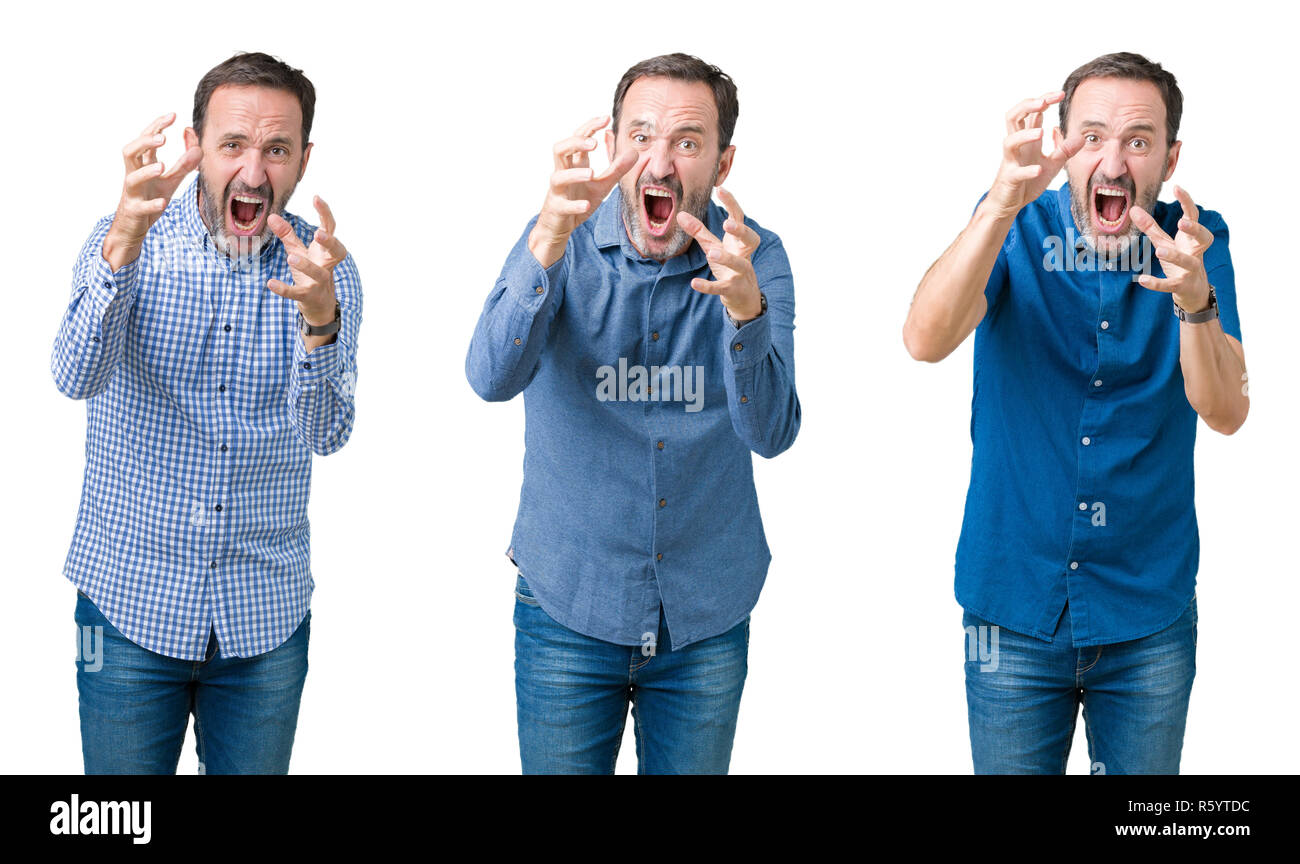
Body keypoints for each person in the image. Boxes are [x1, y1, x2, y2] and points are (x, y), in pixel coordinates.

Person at [904, 52, 1247, 774]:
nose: (1113, 161)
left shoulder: (1198, 245)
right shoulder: (1012, 227)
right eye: (1091, 137)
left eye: (1138, 140)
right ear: (1062, 146)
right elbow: (924, 339)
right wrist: (1002, 200)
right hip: (1012, 609)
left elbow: (1225, 410)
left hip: (1147, 615)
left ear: (1169, 156)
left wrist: (1195, 304)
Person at [467, 53, 800, 774]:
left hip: (704, 616)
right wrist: (547, 243)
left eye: (687, 141)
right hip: (568, 607)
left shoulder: (756, 259)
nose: (660, 159)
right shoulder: (558, 238)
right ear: (613, 147)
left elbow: (772, 434)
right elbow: (489, 378)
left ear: (722, 161)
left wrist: (747, 314)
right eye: (639, 136)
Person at [53, 51, 362, 774]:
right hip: (125, 609)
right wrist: (122, 243)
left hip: (264, 621)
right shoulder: (128, 243)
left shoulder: (327, 269)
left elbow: (329, 433)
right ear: (196, 148)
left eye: (276, 149)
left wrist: (322, 323)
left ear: (303, 159)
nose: (253, 173)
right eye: (232, 145)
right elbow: (73, 377)